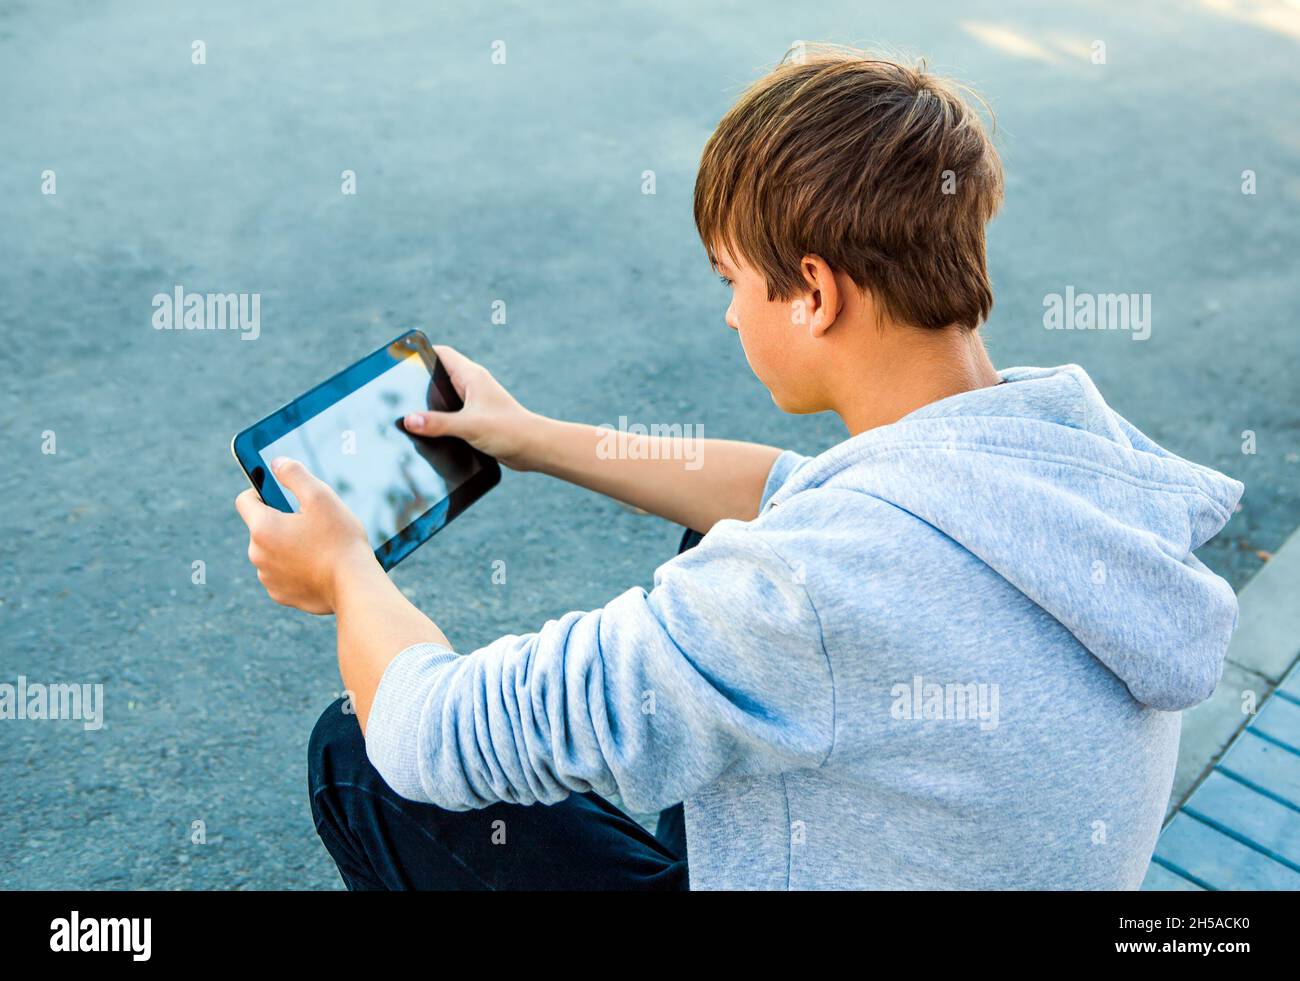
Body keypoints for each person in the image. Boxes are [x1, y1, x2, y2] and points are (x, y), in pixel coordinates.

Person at [236, 45, 1243, 890]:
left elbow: (430, 733)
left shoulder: (806, 592)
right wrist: (527, 434)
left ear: (811, 291)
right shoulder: (1059, 445)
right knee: (722, 530)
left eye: (732, 280)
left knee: (361, 755)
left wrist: (343, 571)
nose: (727, 314)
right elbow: (785, 489)